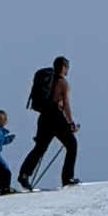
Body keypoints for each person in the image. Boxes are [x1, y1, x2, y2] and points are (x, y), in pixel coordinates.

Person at [18, 56, 79, 189]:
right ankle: (67, 178)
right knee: (72, 144)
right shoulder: (62, 82)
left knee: (40, 147)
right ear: (63, 67)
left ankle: (24, 174)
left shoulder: (49, 80)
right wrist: (71, 123)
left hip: (44, 116)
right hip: (56, 116)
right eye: (67, 67)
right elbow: (66, 104)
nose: (67, 70)